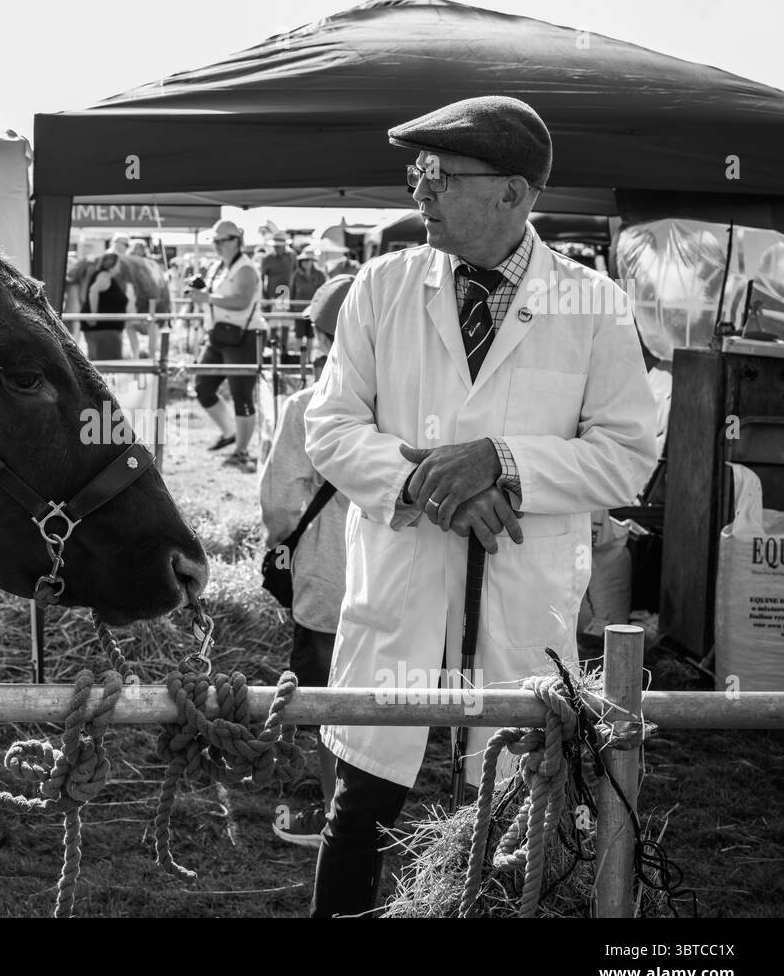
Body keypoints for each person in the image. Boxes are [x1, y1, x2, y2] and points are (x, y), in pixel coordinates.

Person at [304, 95, 658, 917]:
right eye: (416, 172)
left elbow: (629, 453)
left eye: (439, 174)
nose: (419, 192)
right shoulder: (381, 287)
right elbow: (330, 424)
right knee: (358, 818)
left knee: (506, 836)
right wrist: (438, 490)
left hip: (519, 612)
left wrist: (502, 461)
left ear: (515, 194)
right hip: (400, 599)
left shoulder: (592, 305)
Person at [259, 274, 354, 845]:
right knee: (400, 693)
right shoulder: (414, 404)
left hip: (327, 576)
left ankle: (335, 814)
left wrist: (283, 545)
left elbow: (278, 501)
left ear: (319, 334)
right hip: (402, 582)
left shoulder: (306, 406)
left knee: (326, 701)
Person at [195, 220, 266, 472]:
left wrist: (206, 297)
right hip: (219, 335)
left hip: (245, 335)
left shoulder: (246, 269)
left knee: (241, 395)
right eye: (214, 241)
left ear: (237, 240)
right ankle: (230, 433)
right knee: (202, 387)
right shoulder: (217, 267)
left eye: (222, 240)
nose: (217, 245)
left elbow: (241, 301)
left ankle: (242, 451)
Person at [83, 250, 133, 360]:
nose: (120, 266)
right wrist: (94, 315)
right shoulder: (104, 275)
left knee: (100, 366)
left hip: (105, 330)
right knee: (105, 367)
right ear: (113, 264)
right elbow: (93, 291)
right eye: (119, 263)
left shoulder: (105, 276)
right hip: (104, 330)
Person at [286, 246, 327, 359]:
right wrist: (290, 307)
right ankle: (301, 360)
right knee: (299, 336)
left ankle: (308, 359)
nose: (306, 262)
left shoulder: (320, 274)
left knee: (310, 336)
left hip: (314, 310)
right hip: (299, 310)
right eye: (304, 260)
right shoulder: (296, 275)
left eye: (308, 260)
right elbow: (291, 291)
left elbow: (325, 291)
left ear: (312, 261)